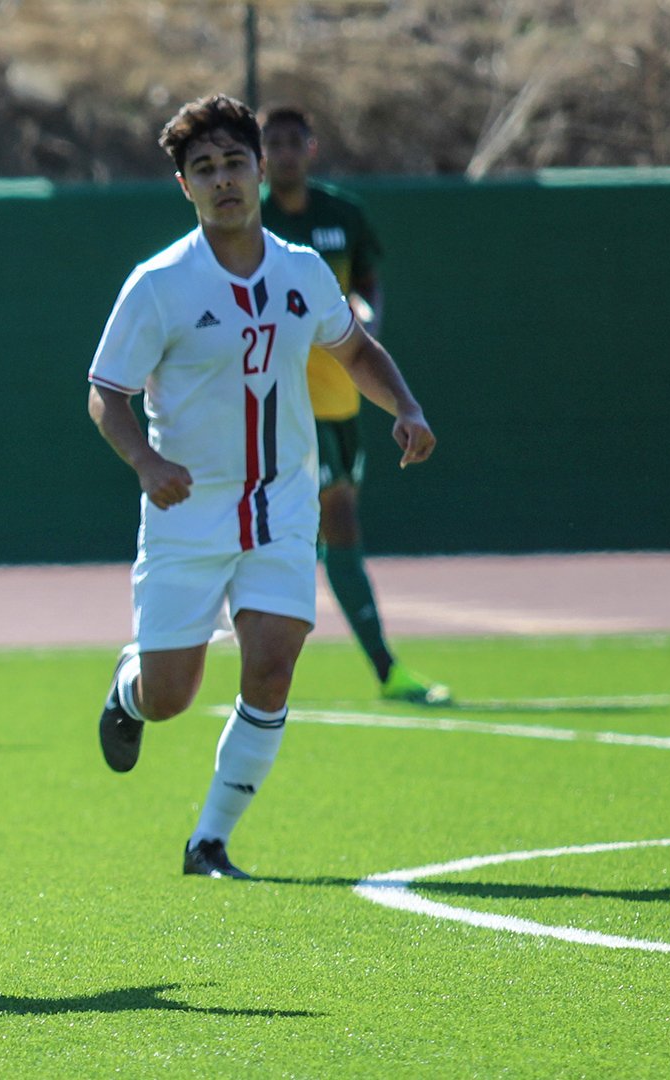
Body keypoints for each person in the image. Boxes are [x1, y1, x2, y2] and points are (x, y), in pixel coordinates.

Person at [86, 95, 436, 879]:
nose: (223, 181)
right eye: (202, 169)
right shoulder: (159, 284)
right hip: (186, 510)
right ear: (185, 186)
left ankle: (209, 840)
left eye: (233, 162)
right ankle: (129, 688)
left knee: (273, 667)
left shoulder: (303, 271)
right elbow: (105, 391)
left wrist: (406, 407)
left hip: (282, 503)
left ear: (261, 168)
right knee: (172, 694)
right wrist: (145, 463)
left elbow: (355, 349)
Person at [260, 106, 447, 705]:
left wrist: (368, 314)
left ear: (311, 149)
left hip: (340, 405)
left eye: (295, 142)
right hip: (281, 407)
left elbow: (367, 284)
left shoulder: (343, 213)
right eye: (274, 143)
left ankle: (376, 667)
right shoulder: (248, 223)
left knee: (330, 526)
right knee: (321, 525)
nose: (285, 153)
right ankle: (380, 666)